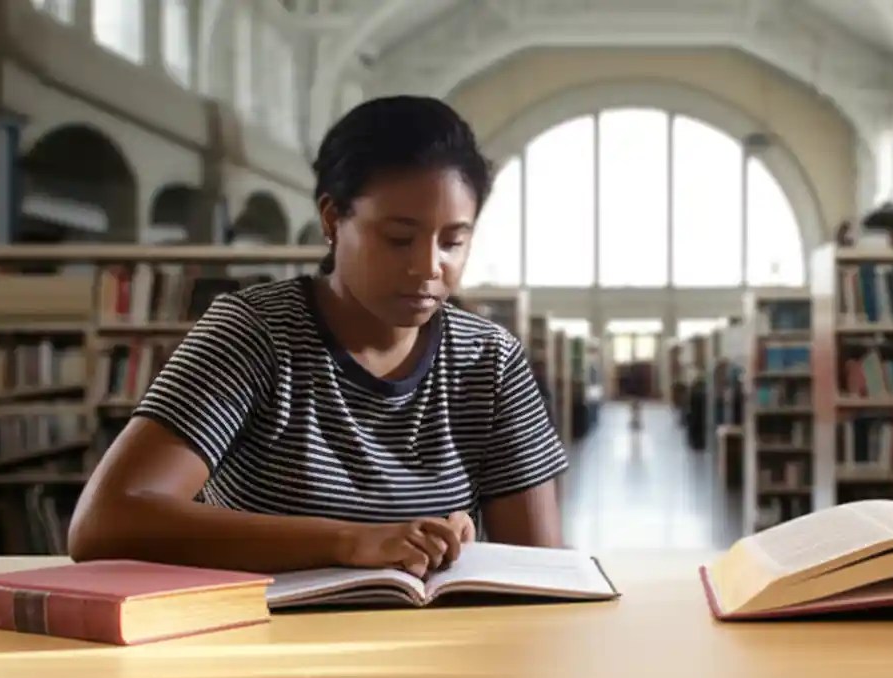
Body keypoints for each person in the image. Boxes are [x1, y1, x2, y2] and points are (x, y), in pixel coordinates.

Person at [67, 96, 568, 579]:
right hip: (262, 649)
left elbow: (538, 568)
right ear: (332, 219)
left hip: (429, 654)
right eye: (398, 238)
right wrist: (351, 541)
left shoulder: (489, 359)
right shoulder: (254, 333)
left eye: (454, 241)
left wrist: (457, 549)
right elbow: (105, 521)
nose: (428, 267)